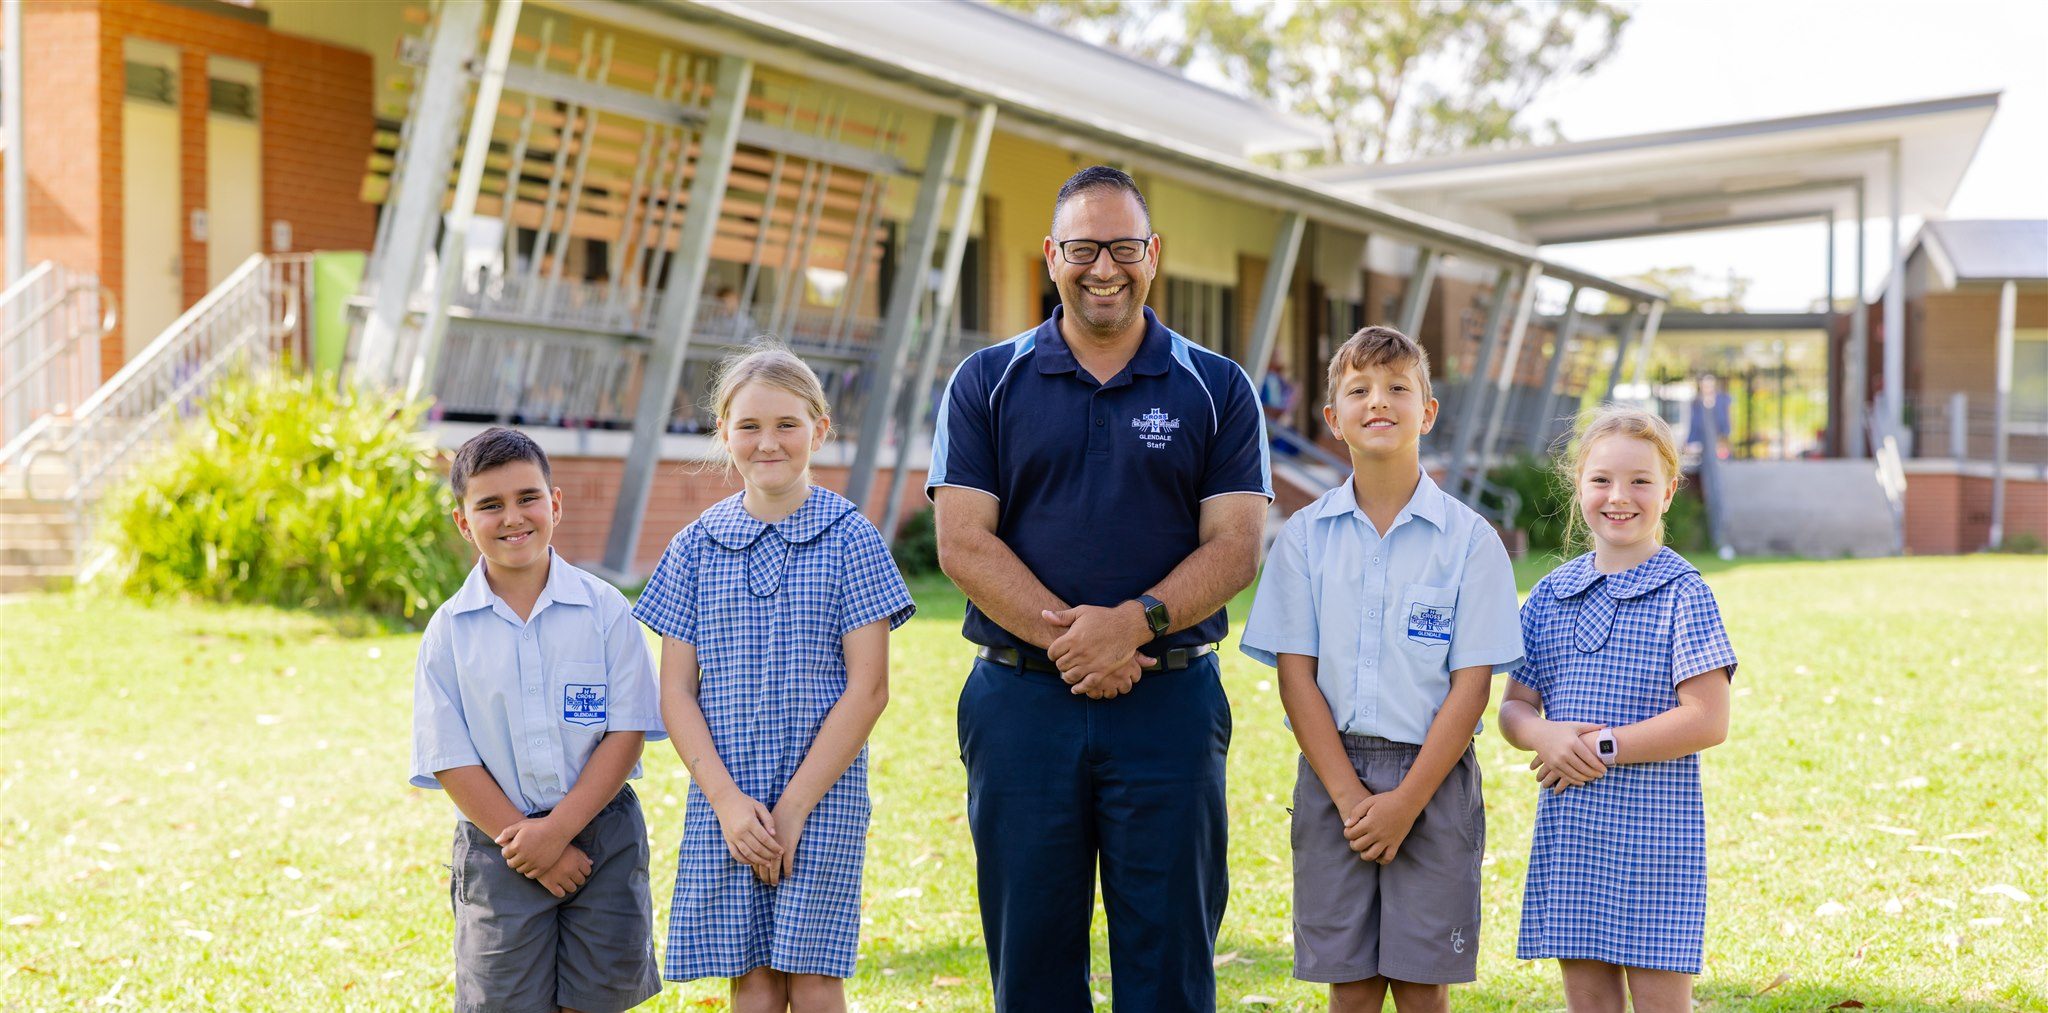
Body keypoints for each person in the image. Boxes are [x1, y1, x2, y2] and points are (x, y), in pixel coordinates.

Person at [928, 165, 1270, 1012]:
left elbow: (1237, 546)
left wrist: (1137, 624)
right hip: (1021, 709)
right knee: (1031, 963)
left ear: (1154, 255)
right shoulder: (987, 379)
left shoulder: (1217, 386)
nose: (1103, 267)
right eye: (1083, 248)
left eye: (1123, 247)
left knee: (1171, 963)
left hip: (1169, 709)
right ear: (1052, 255)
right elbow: (962, 541)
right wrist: (1077, 642)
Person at [1240, 325, 1524, 1012]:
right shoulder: (1304, 538)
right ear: (1333, 419)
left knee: (1422, 983)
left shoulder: (1471, 542)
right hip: (1333, 773)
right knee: (1353, 984)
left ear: (1427, 412)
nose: (1380, 400)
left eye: (1400, 387)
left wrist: (1405, 802)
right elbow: (1295, 677)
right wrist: (1348, 797)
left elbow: (1472, 688)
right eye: (1359, 388)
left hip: (1433, 775)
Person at [634, 346, 915, 1012]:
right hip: (726, 798)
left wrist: (791, 810)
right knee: (752, 977)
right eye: (749, 426)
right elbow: (675, 692)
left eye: (787, 424)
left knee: (813, 975)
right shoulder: (695, 546)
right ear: (724, 435)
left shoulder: (852, 537)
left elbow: (868, 687)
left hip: (821, 796)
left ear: (819, 430)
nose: (768, 442)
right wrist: (731, 804)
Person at [410, 426, 666, 1013]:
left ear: (555, 503)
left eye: (527, 498)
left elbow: (626, 732)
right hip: (497, 840)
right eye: (489, 505)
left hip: (603, 831)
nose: (512, 517)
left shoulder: (605, 610)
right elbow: (448, 755)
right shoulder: (449, 632)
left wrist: (557, 833)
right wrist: (531, 844)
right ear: (462, 521)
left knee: (597, 997)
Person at [1499, 405, 1737, 1013]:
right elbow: (1515, 709)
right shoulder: (1551, 594)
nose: (1619, 497)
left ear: (1669, 490)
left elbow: (1708, 718)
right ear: (1578, 484)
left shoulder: (1684, 593)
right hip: (1575, 833)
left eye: (1639, 481)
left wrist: (1598, 746)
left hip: (1658, 839)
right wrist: (1543, 737)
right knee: (1589, 1002)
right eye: (1602, 480)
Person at [1684, 373, 1732, 459]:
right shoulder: (1697, 403)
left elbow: (1726, 421)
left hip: (1719, 442)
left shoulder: (1722, 401)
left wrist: (1724, 440)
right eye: (1705, 386)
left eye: (1710, 386)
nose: (1708, 388)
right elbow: (1694, 424)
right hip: (1702, 443)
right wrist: (1690, 442)